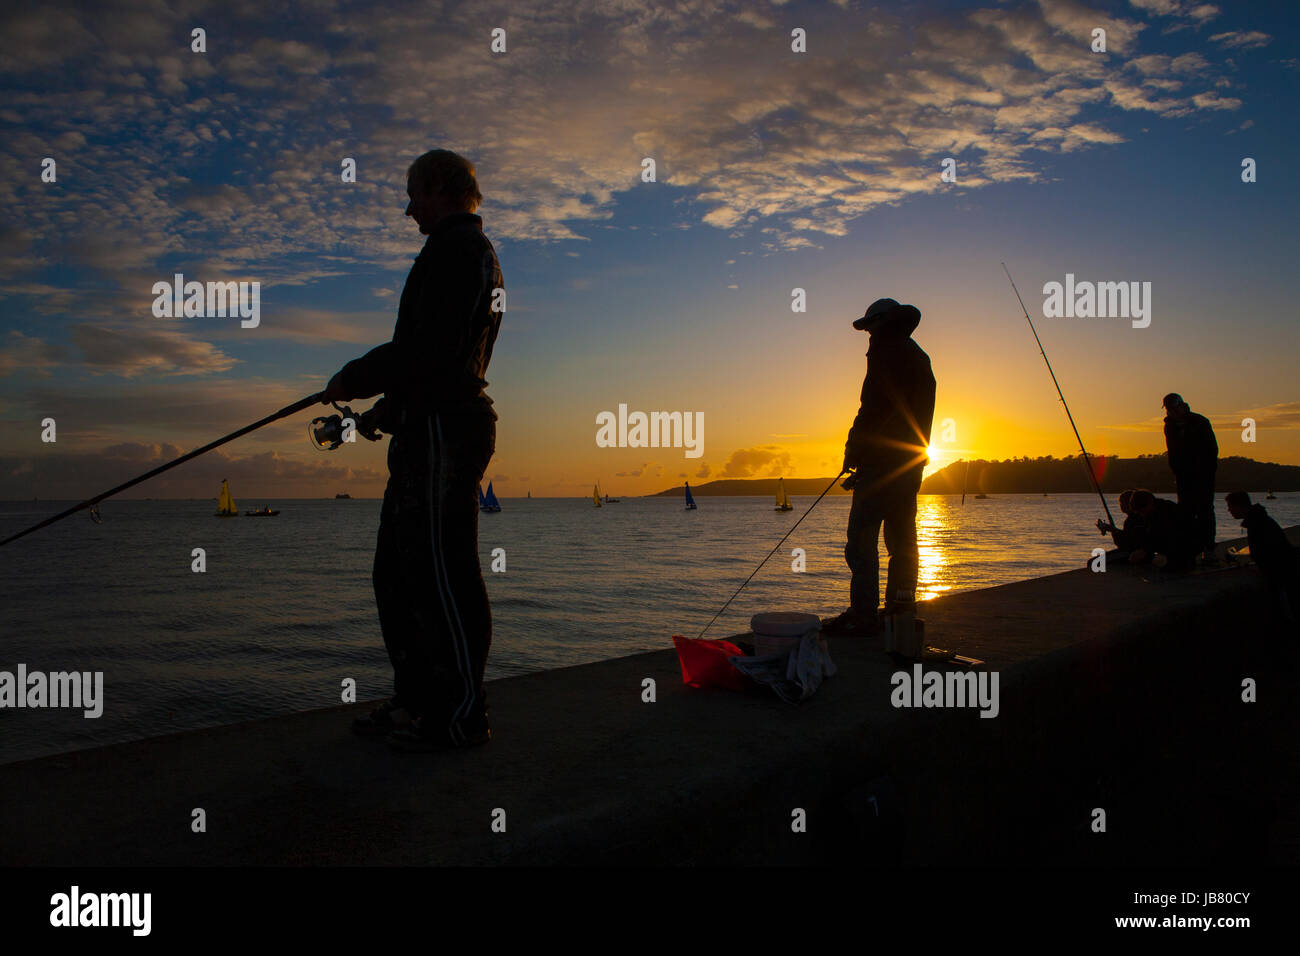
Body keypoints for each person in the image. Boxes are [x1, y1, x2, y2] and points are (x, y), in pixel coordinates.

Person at [323, 149, 504, 752]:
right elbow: (437, 361)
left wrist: (355, 377)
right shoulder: (451, 253)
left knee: (441, 574)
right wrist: (387, 411)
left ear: (443, 189)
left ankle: (458, 715)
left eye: (414, 194)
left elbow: (431, 355)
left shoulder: (459, 252)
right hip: (427, 425)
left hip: (446, 431)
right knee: (397, 574)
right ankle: (418, 701)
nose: (407, 209)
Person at [823, 298, 935, 637]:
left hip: (880, 466)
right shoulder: (917, 355)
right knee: (902, 542)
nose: (867, 331)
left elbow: (870, 408)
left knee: (861, 541)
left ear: (882, 322)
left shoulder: (886, 352)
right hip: (910, 466)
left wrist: (853, 450)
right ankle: (900, 611)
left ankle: (863, 614)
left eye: (870, 324)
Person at [1225, 491, 1298, 625]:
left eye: (1230, 506)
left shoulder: (1256, 524)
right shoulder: (1259, 520)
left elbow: (1268, 553)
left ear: (1240, 506)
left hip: (1283, 575)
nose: (1228, 510)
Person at [1162, 393, 1218, 559]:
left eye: (1174, 408)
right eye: (1169, 409)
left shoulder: (1200, 422)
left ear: (1181, 406)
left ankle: (1208, 549)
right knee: (1185, 512)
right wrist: (1176, 471)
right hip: (1183, 476)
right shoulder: (1169, 426)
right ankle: (1189, 549)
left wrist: (1206, 472)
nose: (1171, 412)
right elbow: (1172, 451)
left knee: (1205, 510)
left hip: (1203, 475)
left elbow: (1212, 450)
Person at [1126, 489, 1197, 571]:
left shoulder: (1168, 512)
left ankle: (1181, 561)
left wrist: (1145, 550)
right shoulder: (1150, 514)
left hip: (1184, 544)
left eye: (1142, 511)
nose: (1141, 514)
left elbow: (1163, 535)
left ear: (1150, 503)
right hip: (1169, 544)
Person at [1096, 489, 1145, 561]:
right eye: (1120, 503)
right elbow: (1122, 543)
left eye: (1123, 502)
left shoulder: (1137, 519)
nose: (1121, 505)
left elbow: (1130, 543)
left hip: (1132, 553)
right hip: (1127, 551)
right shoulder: (1130, 520)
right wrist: (1113, 531)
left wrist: (1114, 530)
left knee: (1095, 562)